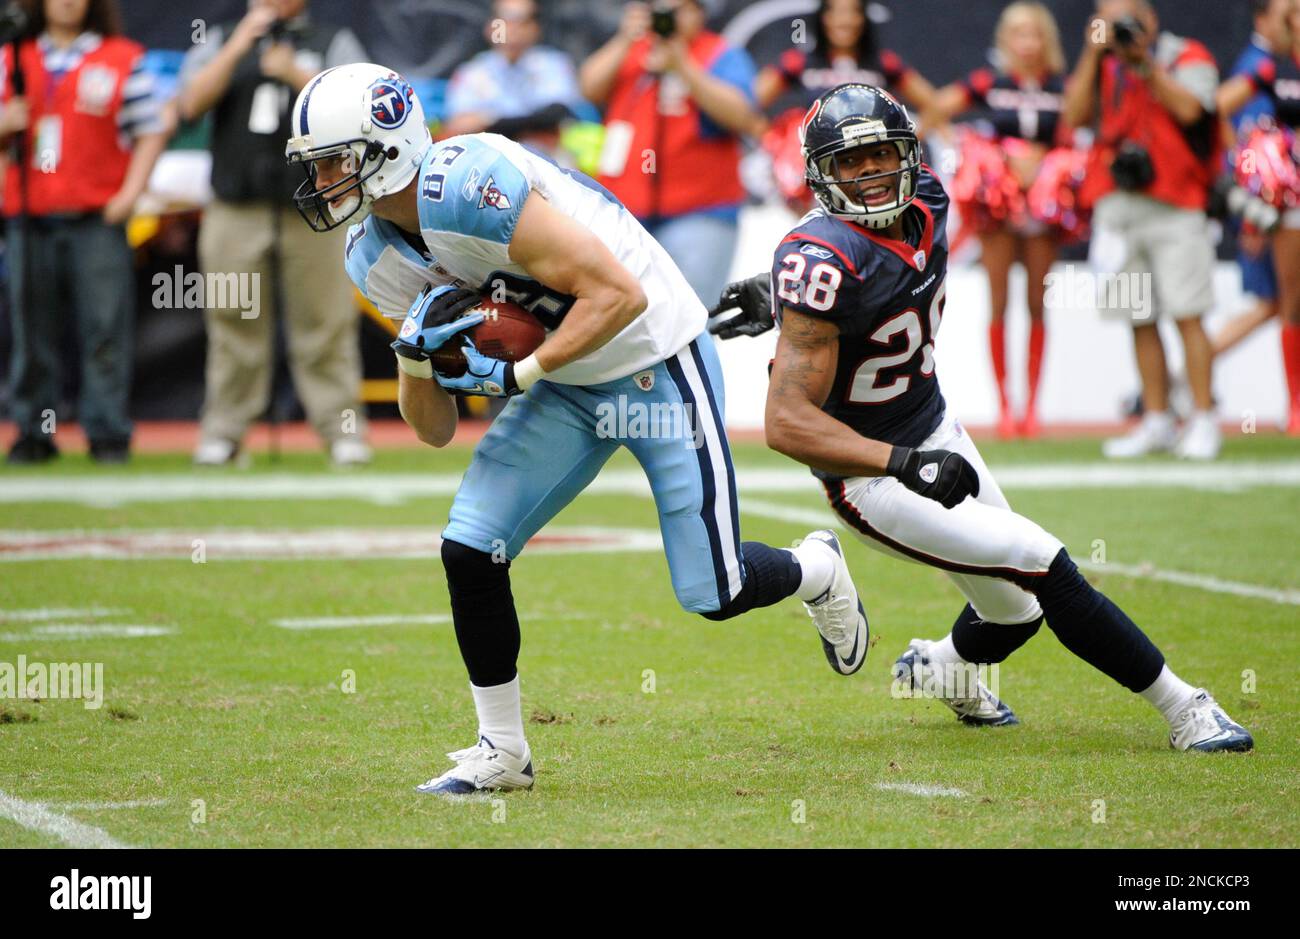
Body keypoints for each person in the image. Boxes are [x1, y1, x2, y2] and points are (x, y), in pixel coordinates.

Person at [286, 63, 870, 795]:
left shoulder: (467, 184)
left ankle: (817, 568)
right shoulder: (372, 256)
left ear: (387, 145)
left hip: (652, 357)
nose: (324, 180)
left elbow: (617, 294)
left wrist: (517, 376)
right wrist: (412, 356)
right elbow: (432, 430)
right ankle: (502, 748)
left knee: (713, 590)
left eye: (335, 159)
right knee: (469, 548)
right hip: (565, 382)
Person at [709, 83, 1251, 753]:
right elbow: (786, 421)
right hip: (869, 474)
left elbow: (871, 290)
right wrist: (901, 461)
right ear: (822, 175)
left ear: (909, 153)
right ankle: (1186, 708)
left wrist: (786, 300)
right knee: (1043, 559)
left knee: (1015, 611)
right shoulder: (820, 263)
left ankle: (939, 669)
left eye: (881, 154)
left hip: (932, 425)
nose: (872, 174)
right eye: (850, 164)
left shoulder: (930, 200)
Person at [177, 0, 371, 467]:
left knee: (325, 322)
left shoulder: (333, 41)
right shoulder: (220, 37)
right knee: (232, 321)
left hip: (316, 207)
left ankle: (341, 430)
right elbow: (189, 104)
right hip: (235, 205)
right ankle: (225, 432)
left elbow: (360, 112)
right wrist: (240, 44)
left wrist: (294, 75)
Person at [1, 0, 168, 464]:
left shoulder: (121, 58)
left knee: (105, 329)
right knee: (31, 330)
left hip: (95, 218)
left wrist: (130, 194)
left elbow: (151, 129)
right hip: (29, 215)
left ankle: (108, 432)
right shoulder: (13, 56)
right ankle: (34, 432)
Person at [1063, 0, 1223, 460]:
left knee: (1188, 313)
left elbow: (1192, 110)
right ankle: (1155, 420)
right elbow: (1073, 117)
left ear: (1150, 19)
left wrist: (1143, 64)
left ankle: (1204, 418)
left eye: (1126, 19)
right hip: (1118, 204)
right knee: (1138, 316)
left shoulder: (1185, 55)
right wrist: (1094, 53)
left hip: (1176, 204)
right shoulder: (1102, 61)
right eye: (1109, 22)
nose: (1119, 30)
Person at [925, 2, 1068, 439]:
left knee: (1037, 301)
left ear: (1047, 40)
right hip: (1000, 204)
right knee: (1000, 297)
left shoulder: (1062, 86)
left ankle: (1033, 408)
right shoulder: (990, 82)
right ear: (1006, 41)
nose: (1028, 42)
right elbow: (935, 111)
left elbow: (1079, 130)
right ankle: (1006, 406)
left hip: (1043, 204)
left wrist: (1047, 162)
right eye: (1019, 34)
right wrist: (977, 156)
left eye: (1035, 34)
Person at [578, 0, 761, 307]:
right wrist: (624, 38)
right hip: (625, 211)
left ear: (700, 13)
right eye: (661, 10)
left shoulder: (720, 53)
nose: (669, 19)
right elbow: (587, 88)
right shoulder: (634, 47)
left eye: (679, 10)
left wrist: (683, 66)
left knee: (691, 314)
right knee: (619, 315)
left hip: (701, 211)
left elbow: (743, 116)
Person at [1218, 0, 1300, 433]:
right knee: (1291, 302)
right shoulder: (1274, 71)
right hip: (1291, 205)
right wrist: (1257, 177)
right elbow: (1220, 107)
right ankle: (1295, 406)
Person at [441, 0, 585, 150]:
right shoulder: (472, 71)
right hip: (489, 156)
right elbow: (458, 125)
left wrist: (492, 121)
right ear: (490, 26)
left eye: (522, 21)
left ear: (536, 28)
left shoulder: (554, 64)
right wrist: (526, 122)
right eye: (504, 21)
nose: (513, 29)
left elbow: (556, 115)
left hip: (542, 157)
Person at [754, 0, 935, 114]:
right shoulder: (799, 61)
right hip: (816, 158)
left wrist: (917, 131)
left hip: (870, 156)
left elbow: (934, 104)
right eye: (836, 12)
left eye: (853, 12)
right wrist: (771, 138)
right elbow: (750, 101)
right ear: (823, 18)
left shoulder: (884, 62)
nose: (845, 21)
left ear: (863, 18)